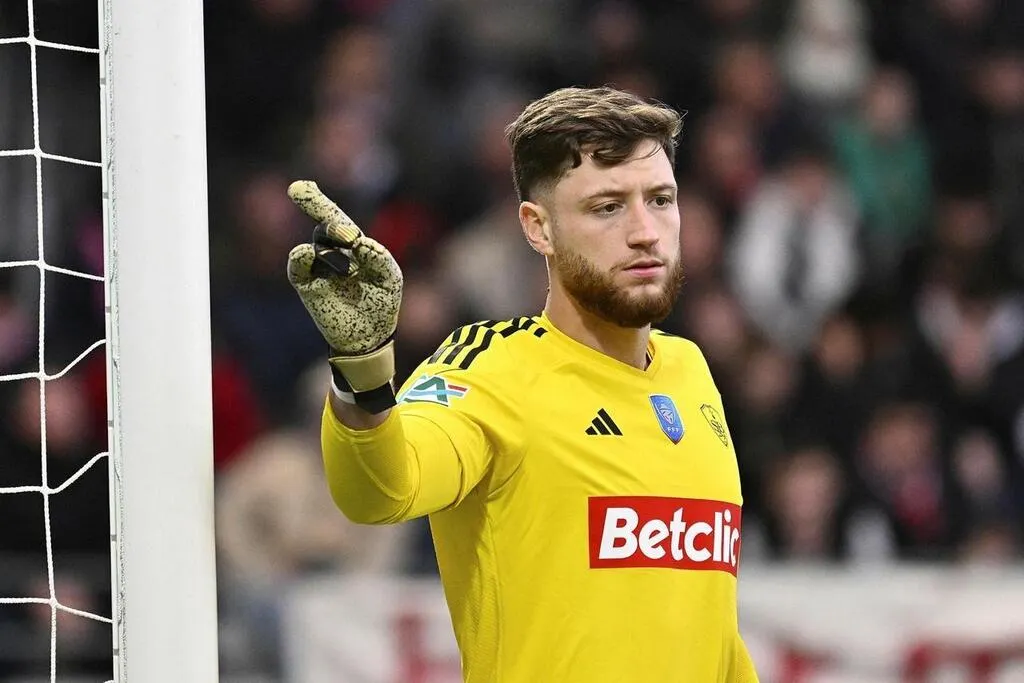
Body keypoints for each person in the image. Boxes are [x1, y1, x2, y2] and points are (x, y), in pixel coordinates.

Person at [286, 86, 759, 682]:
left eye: (660, 200)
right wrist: (363, 366)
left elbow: (710, 631)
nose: (646, 231)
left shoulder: (691, 373)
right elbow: (382, 490)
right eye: (608, 207)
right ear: (539, 229)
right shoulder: (489, 368)